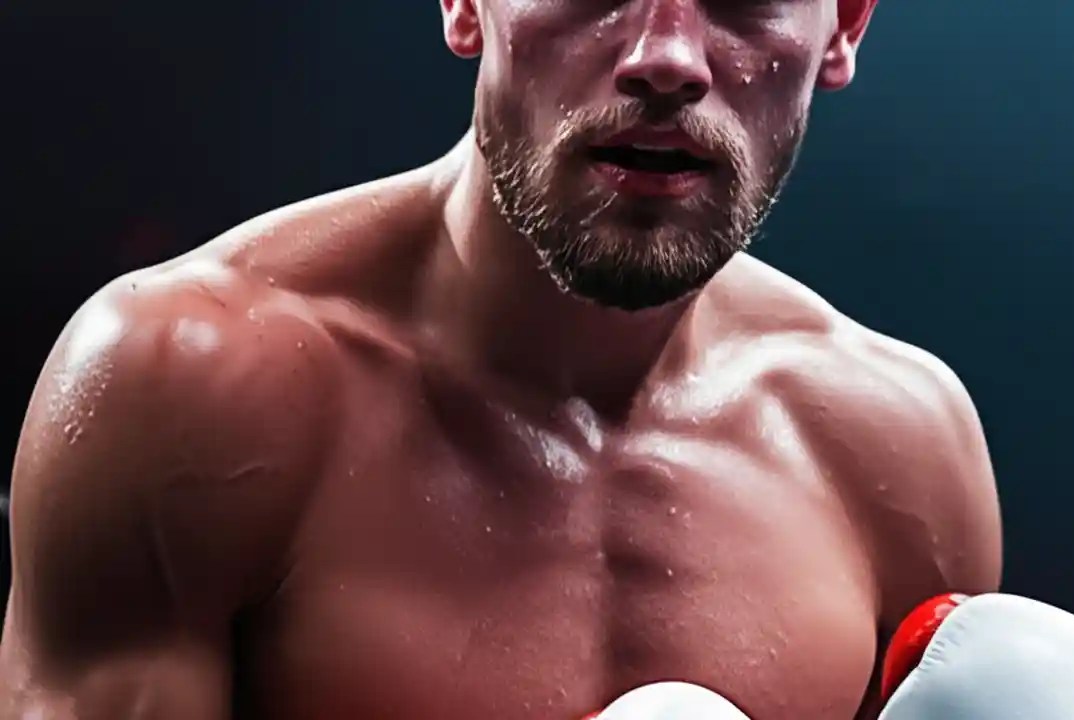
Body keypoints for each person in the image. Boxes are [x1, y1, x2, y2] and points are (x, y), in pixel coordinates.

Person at [0, 0, 1011, 717]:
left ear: (840, 26)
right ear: (464, 5)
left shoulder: (896, 448)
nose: (666, 56)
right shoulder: (185, 384)